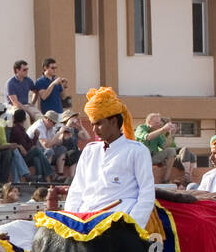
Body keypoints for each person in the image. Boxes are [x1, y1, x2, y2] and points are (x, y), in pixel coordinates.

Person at [61, 87, 155, 229]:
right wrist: (70, 223)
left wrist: (134, 227)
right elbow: (77, 190)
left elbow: (146, 193)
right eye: (92, 124)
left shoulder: (137, 151)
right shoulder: (89, 150)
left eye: (98, 123)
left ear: (114, 122)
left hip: (118, 222)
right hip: (84, 220)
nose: (94, 129)